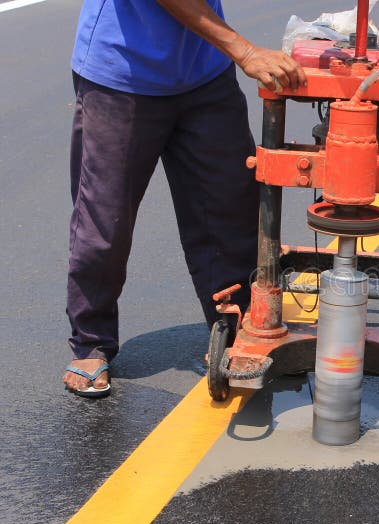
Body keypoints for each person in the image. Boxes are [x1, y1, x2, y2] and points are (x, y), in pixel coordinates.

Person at [63, 0, 306, 397]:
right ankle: (91, 340)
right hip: (122, 76)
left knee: (230, 209)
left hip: (204, 70)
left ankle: (236, 329)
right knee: (105, 223)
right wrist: (246, 52)